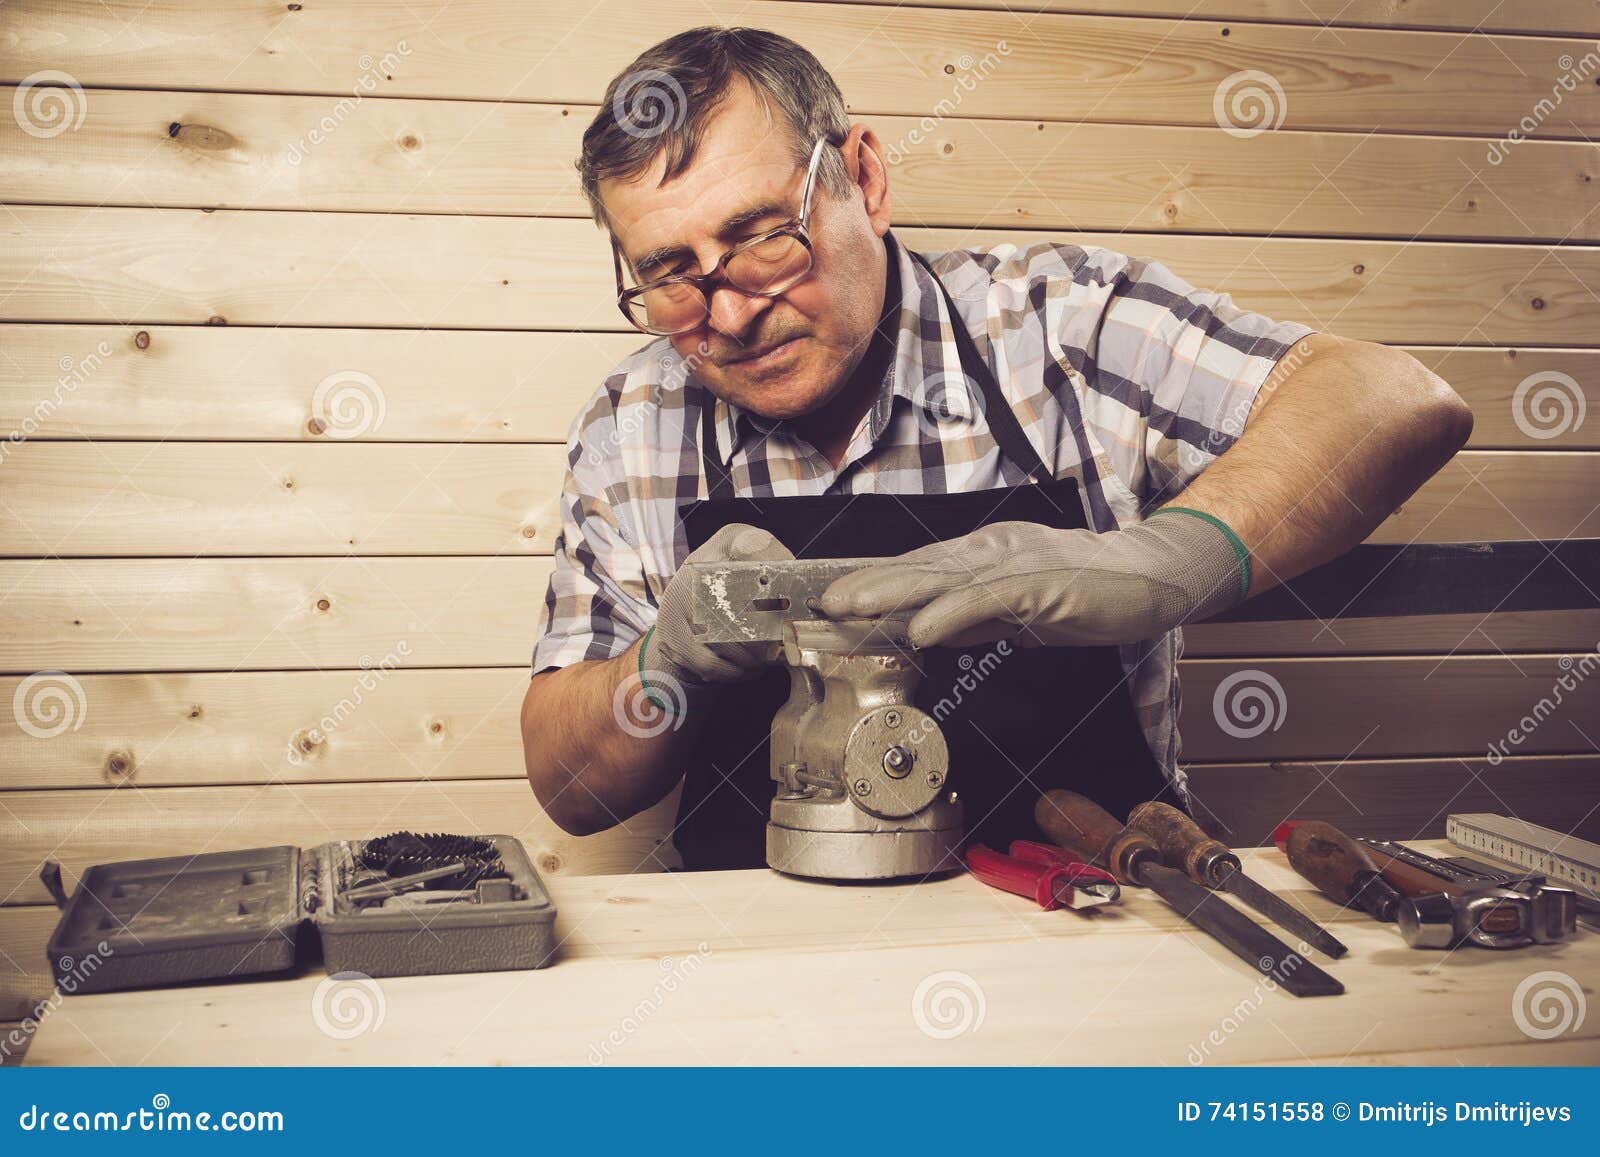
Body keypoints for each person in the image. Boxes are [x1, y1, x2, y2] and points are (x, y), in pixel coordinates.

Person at [520, 27, 1473, 870]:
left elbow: (1397, 401)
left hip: (1101, 899)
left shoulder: (1060, 327)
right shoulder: (634, 419)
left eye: (764, 237)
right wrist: (661, 666)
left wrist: (1163, 562)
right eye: (673, 274)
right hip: (769, 949)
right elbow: (573, 794)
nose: (728, 313)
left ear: (865, 178)